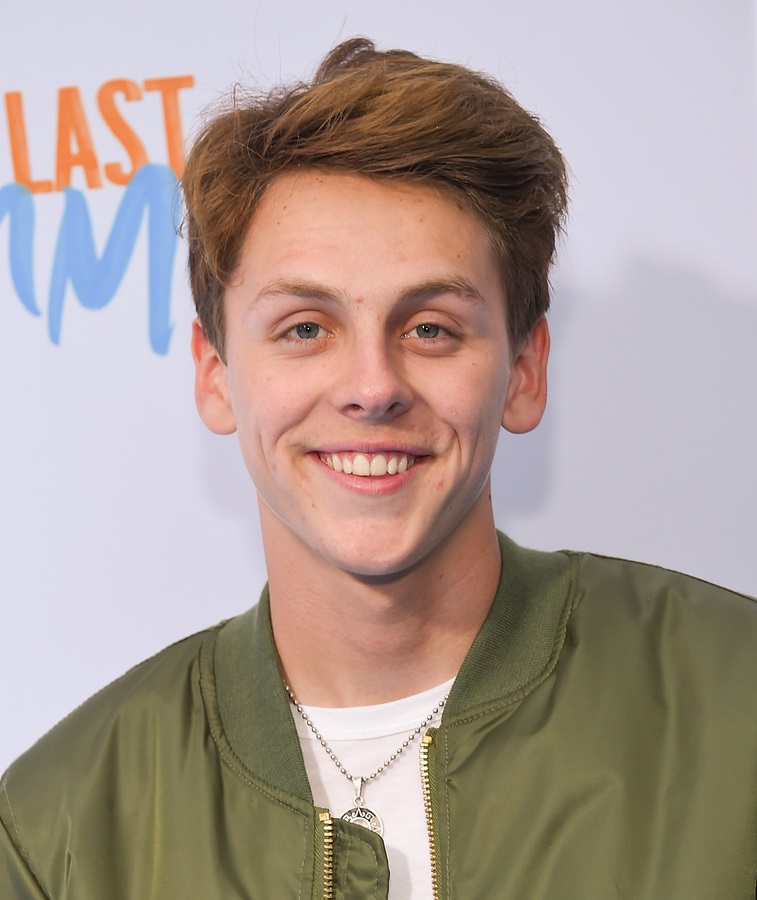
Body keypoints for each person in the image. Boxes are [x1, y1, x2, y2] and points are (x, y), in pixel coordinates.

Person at [1, 37, 756, 900]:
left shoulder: (738, 712)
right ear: (214, 374)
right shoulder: (58, 832)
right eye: (305, 328)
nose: (371, 387)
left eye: (430, 328)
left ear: (524, 370)